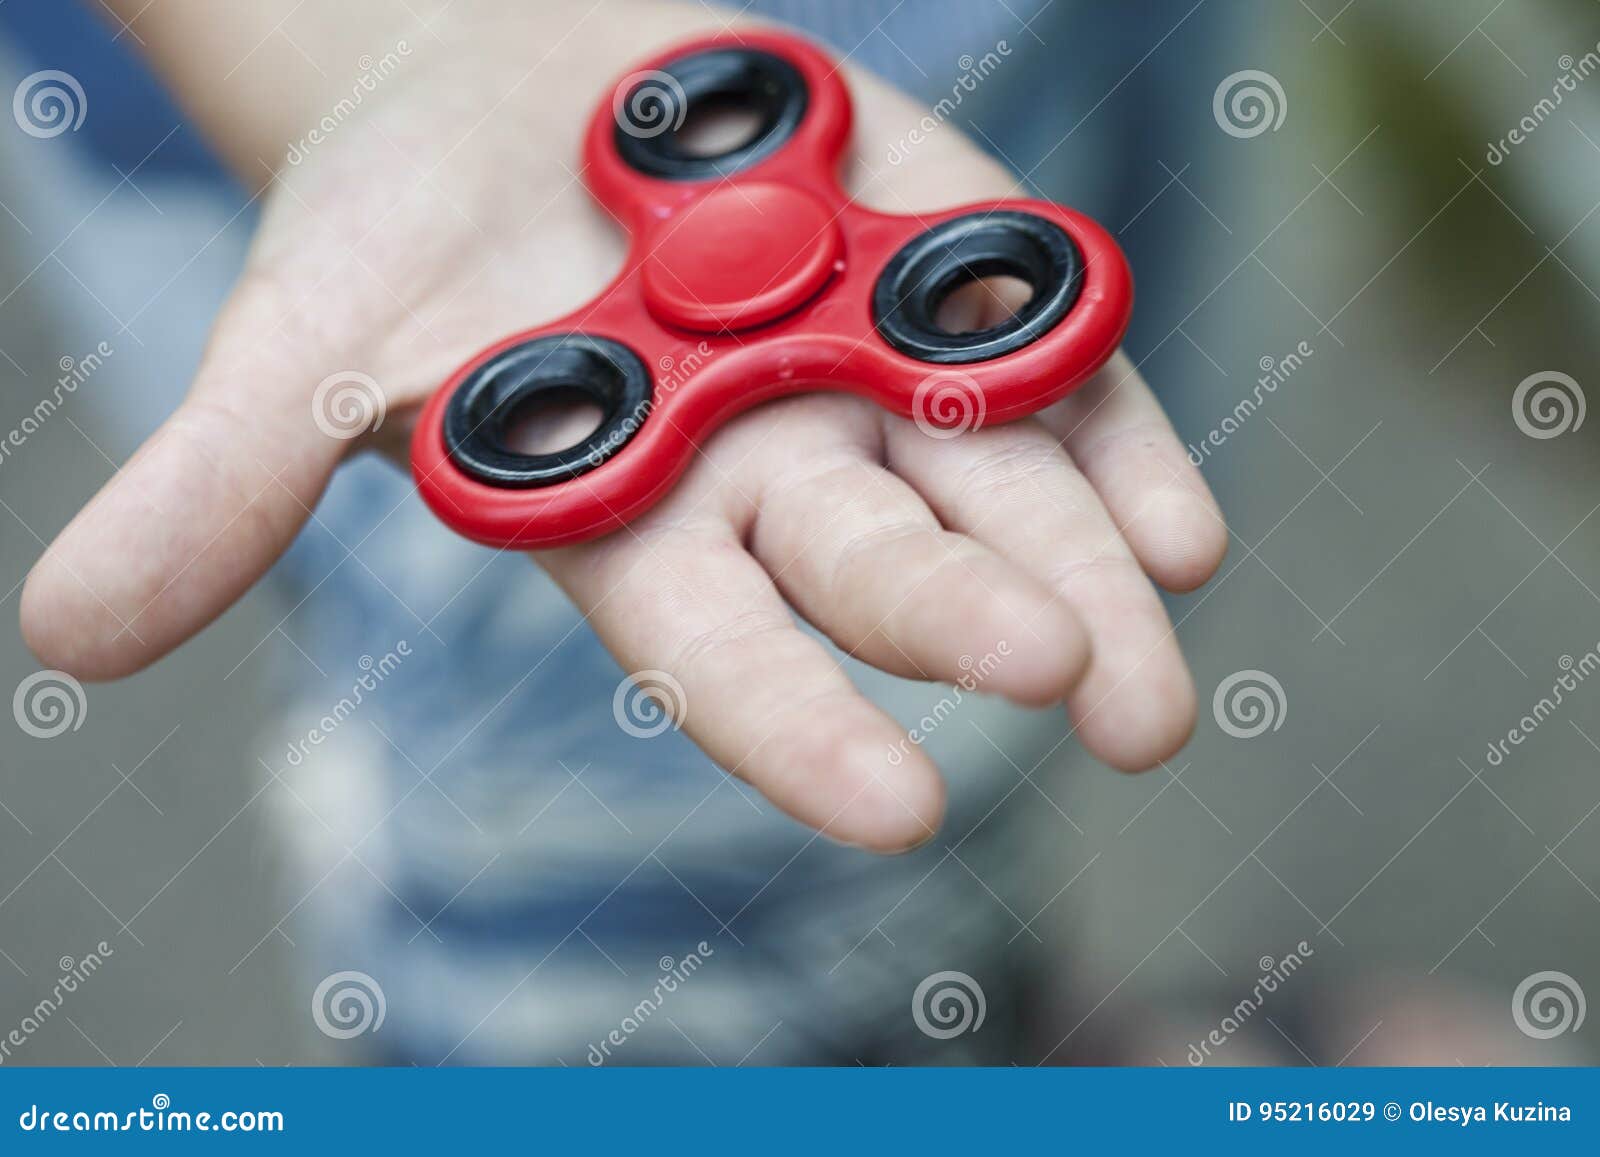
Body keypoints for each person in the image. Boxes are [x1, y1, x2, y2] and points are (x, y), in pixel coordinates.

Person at [20, 0, 1226, 1063]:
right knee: (644, 900)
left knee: (1007, 676)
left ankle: (971, 1021)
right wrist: (366, 36)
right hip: (297, 123)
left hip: (1001, 44)